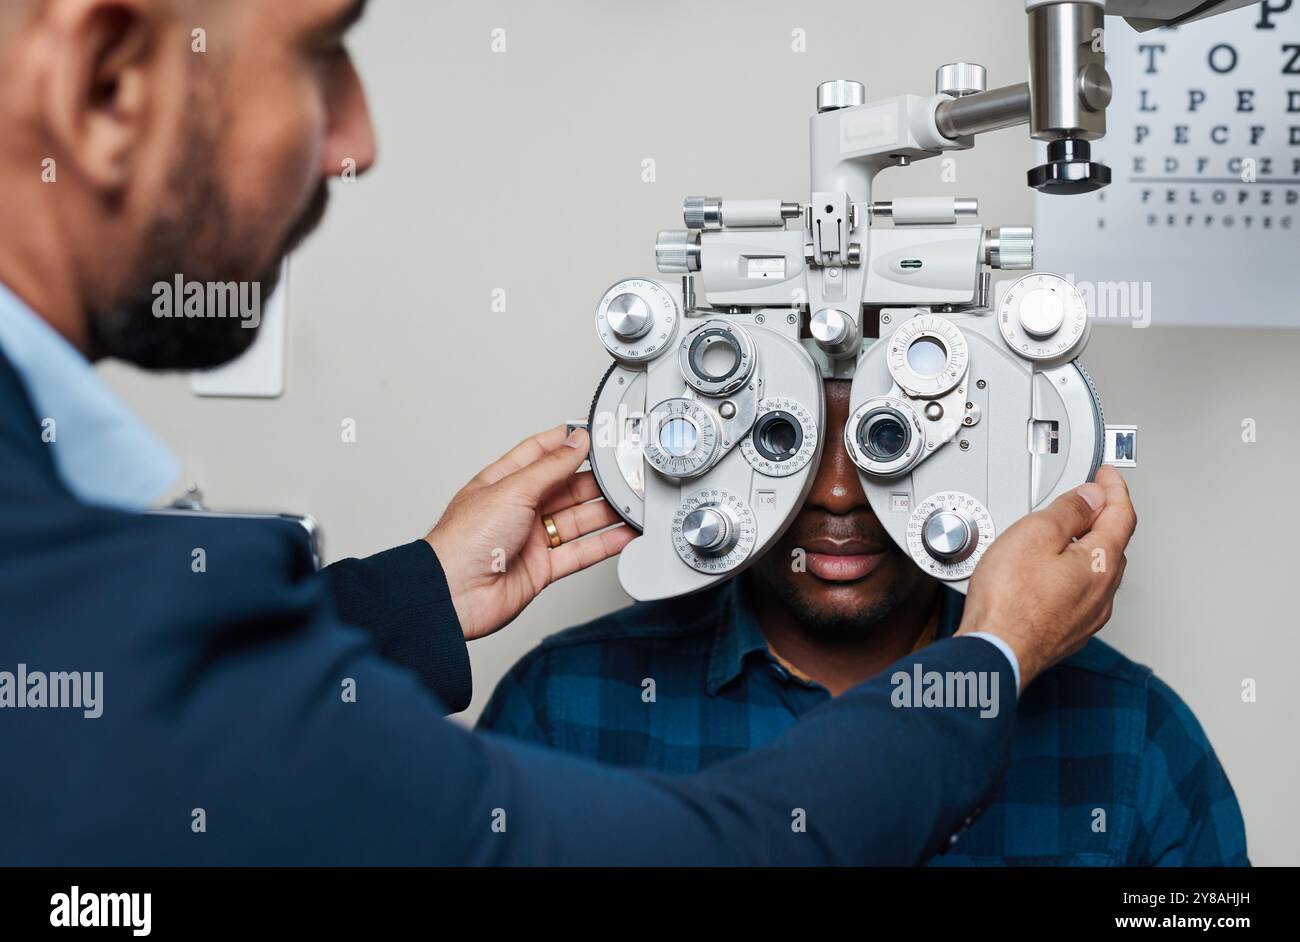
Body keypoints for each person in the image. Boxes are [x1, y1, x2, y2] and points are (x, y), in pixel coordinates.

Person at [0, 0, 1135, 864]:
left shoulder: (1135, 748)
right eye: (318, 51)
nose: (356, 140)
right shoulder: (99, 603)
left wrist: (419, 593)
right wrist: (986, 660)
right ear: (102, 79)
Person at [482, 380, 1246, 865]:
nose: (840, 494)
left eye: (888, 439)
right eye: (788, 441)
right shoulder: (566, 707)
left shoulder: (1131, 733)